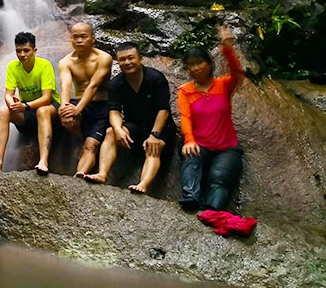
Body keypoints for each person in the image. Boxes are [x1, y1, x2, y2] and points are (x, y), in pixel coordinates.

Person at [84, 42, 174, 193]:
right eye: (122, 60)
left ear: (140, 58)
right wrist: (118, 129)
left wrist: (155, 135)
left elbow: (163, 110)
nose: (127, 62)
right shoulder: (116, 84)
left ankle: (143, 184)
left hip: (160, 127)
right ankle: (102, 173)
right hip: (135, 126)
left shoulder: (155, 78)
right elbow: (114, 111)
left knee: (153, 146)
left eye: (130, 58)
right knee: (110, 132)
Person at [178, 26, 246, 211]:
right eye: (190, 65)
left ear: (209, 64)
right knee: (191, 156)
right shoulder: (185, 91)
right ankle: (190, 199)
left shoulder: (223, 85)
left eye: (199, 63)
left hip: (227, 148)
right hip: (199, 144)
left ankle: (213, 210)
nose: (195, 68)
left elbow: (238, 73)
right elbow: (185, 116)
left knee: (219, 178)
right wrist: (189, 140)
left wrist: (227, 49)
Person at [0, 31, 60, 175]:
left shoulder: (44, 65)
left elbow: (47, 98)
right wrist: (12, 104)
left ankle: (43, 161)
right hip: (28, 111)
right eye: (18, 51)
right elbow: (8, 94)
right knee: (4, 111)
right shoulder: (12, 66)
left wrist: (25, 106)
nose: (22, 54)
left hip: (50, 110)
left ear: (34, 51)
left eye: (26, 51)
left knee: (42, 111)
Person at [57, 22, 113, 178]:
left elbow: (94, 85)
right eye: (75, 37)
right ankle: (80, 139)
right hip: (79, 103)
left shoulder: (104, 58)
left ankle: (80, 174)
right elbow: (66, 86)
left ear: (93, 39)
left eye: (83, 36)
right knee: (67, 116)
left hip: (101, 106)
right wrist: (64, 108)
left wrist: (77, 109)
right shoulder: (66, 62)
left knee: (91, 145)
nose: (79, 40)